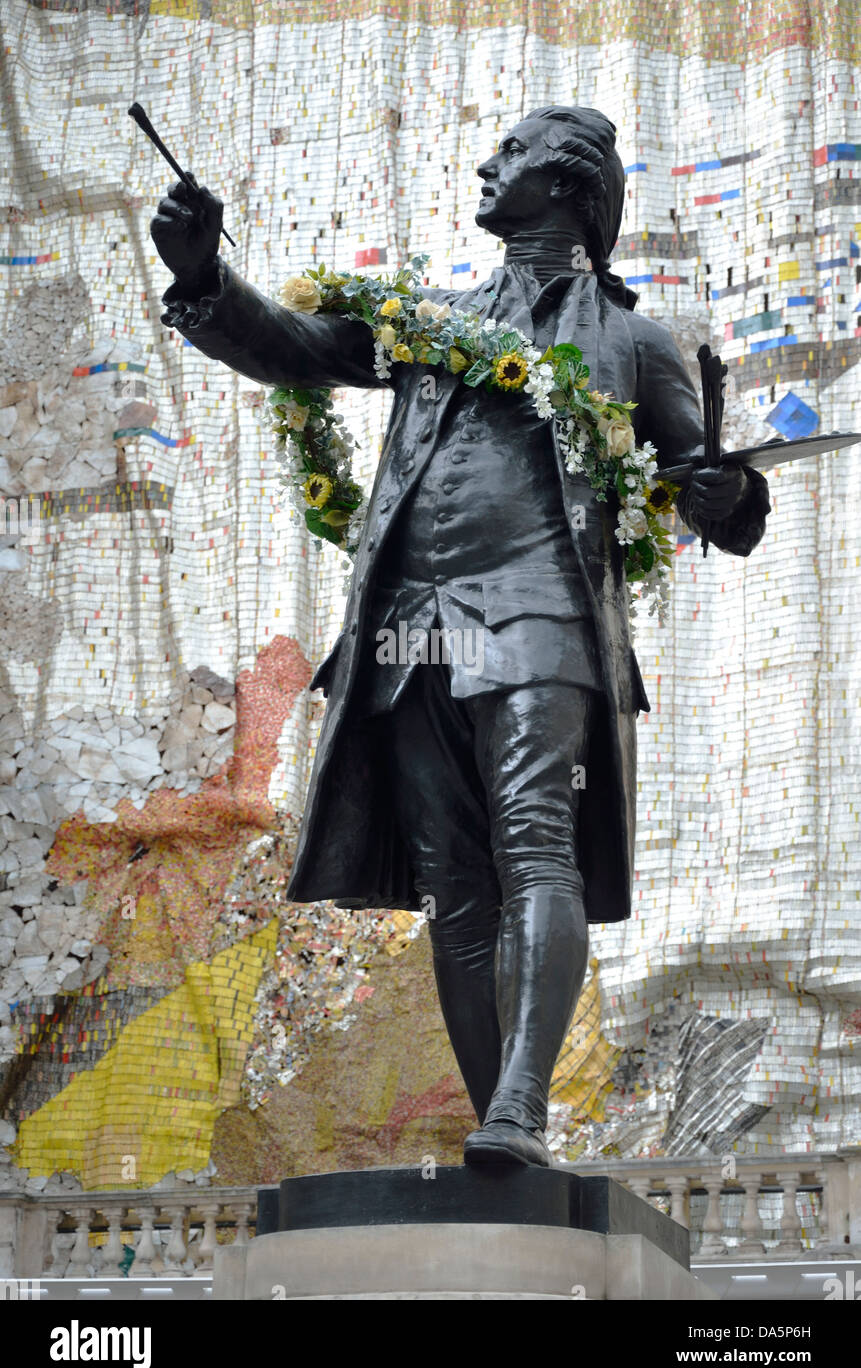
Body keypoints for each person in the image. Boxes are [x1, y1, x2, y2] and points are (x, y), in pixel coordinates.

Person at [151, 105, 770, 1167]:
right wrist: (205, 277)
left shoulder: (629, 341)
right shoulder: (427, 320)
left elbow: (722, 492)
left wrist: (725, 495)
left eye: (514, 152)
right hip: (411, 626)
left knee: (534, 837)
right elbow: (299, 346)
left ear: (571, 186)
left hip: (544, 613)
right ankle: (506, 1135)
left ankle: (521, 1106)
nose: (488, 164)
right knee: (453, 878)